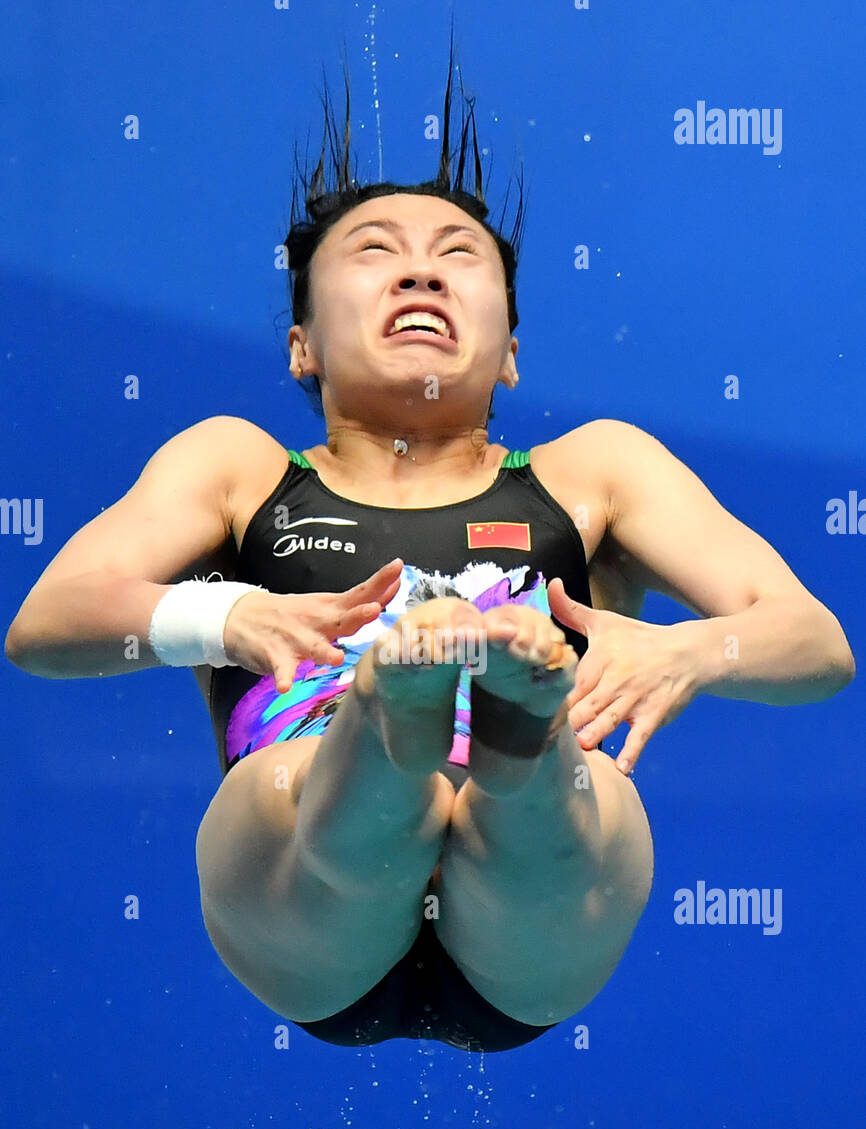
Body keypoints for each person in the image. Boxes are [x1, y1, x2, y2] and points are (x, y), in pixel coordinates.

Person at [5, 55, 854, 1053]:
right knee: (283, 784)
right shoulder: (235, 469)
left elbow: (815, 644)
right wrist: (226, 615)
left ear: (509, 352)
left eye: (457, 254)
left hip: (533, 931)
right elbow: (45, 624)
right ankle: (402, 712)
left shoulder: (596, 473)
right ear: (300, 346)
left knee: (584, 793)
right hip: (306, 910)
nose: (417, 270)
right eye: (372, 251)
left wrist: (684, 653)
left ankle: (503, 731)